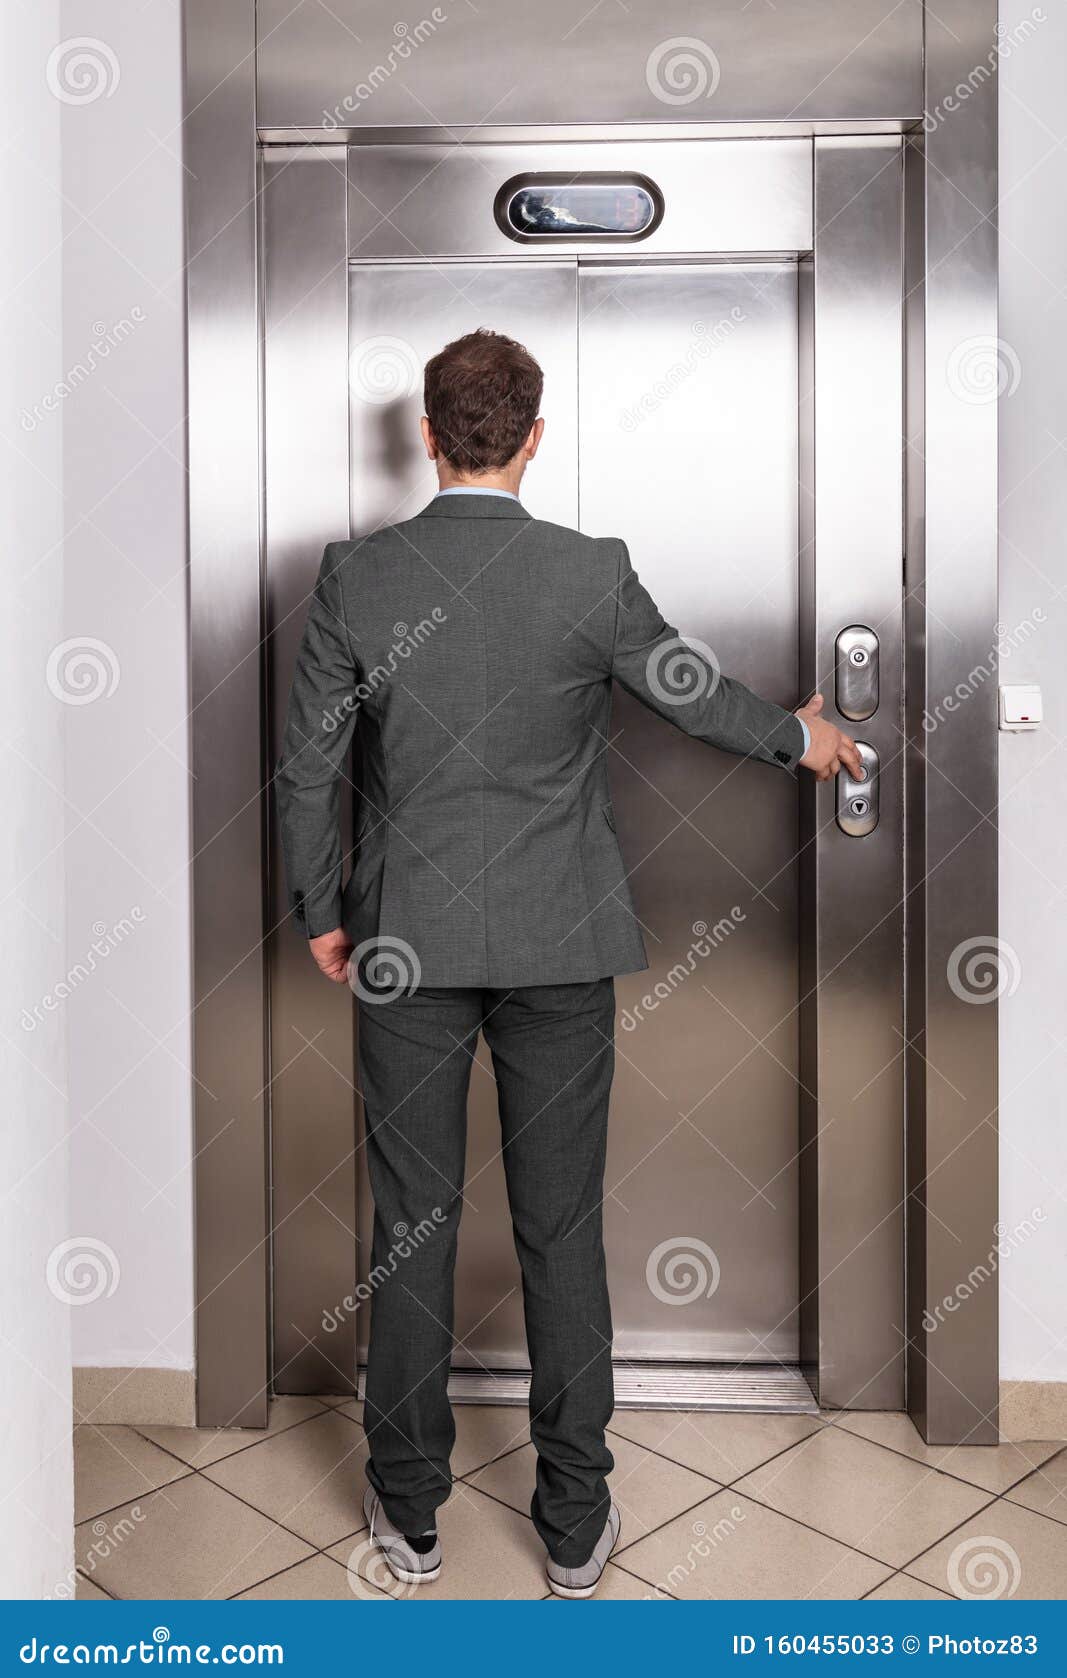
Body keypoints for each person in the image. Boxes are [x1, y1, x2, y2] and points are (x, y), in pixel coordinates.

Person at [275, 328, 861, 1597]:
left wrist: (322, 906)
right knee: (560, 1225)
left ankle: (410, 1514)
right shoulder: (588, 574)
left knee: (410, 1225)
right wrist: (795, 740)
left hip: (403, 944)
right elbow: (686, 688)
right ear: (534, 438)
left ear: (429, 436)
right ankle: (573, 1518)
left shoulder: (357, 578)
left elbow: (309, 761)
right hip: (557, 943)